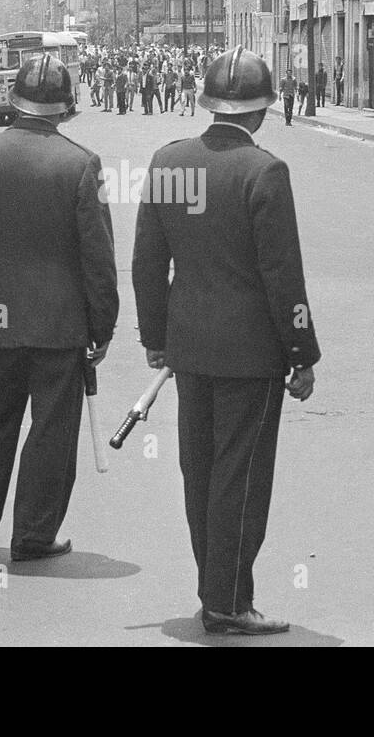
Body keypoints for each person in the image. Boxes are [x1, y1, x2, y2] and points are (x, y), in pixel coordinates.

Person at [132, 46, 321, 636]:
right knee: (240, 476)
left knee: (201, 470)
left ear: (208, 104)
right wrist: (302, 354)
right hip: (252, 354)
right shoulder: (265, 172)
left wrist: (156, 339)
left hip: (189, 350)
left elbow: (145, 264)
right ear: (262, 112)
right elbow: (282, 275)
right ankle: (228, 601)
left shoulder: (168, 162)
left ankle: (212, 587)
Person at [0, 54, 118, 560]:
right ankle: (34, 533)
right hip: (58, 322)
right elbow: (98, 255)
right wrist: (102, 324)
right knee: (52, 431)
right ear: (65, 108)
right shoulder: (80, 163)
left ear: (16, 101)